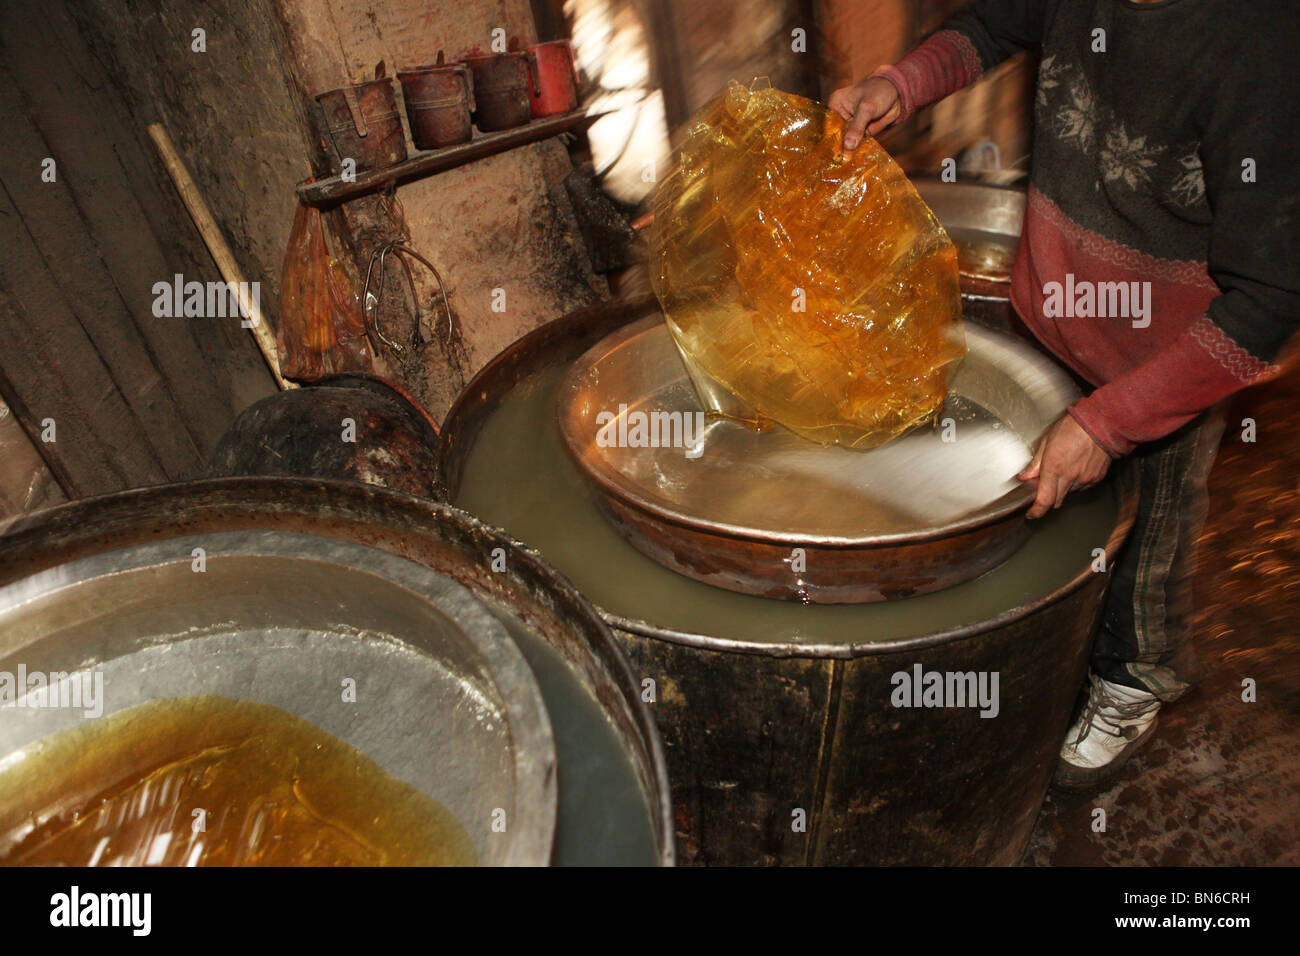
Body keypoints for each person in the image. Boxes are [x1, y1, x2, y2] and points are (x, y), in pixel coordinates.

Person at [829, 0, 1300, 790]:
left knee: (1147, 544)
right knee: (1048, 506)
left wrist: (1112, 421)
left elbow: (1270, 301)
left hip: (1165, 361)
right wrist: (899, 85)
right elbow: (987, 27)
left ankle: (1135, 679)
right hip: (1048, 311)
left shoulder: (1264, 48)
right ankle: (1059, 636)